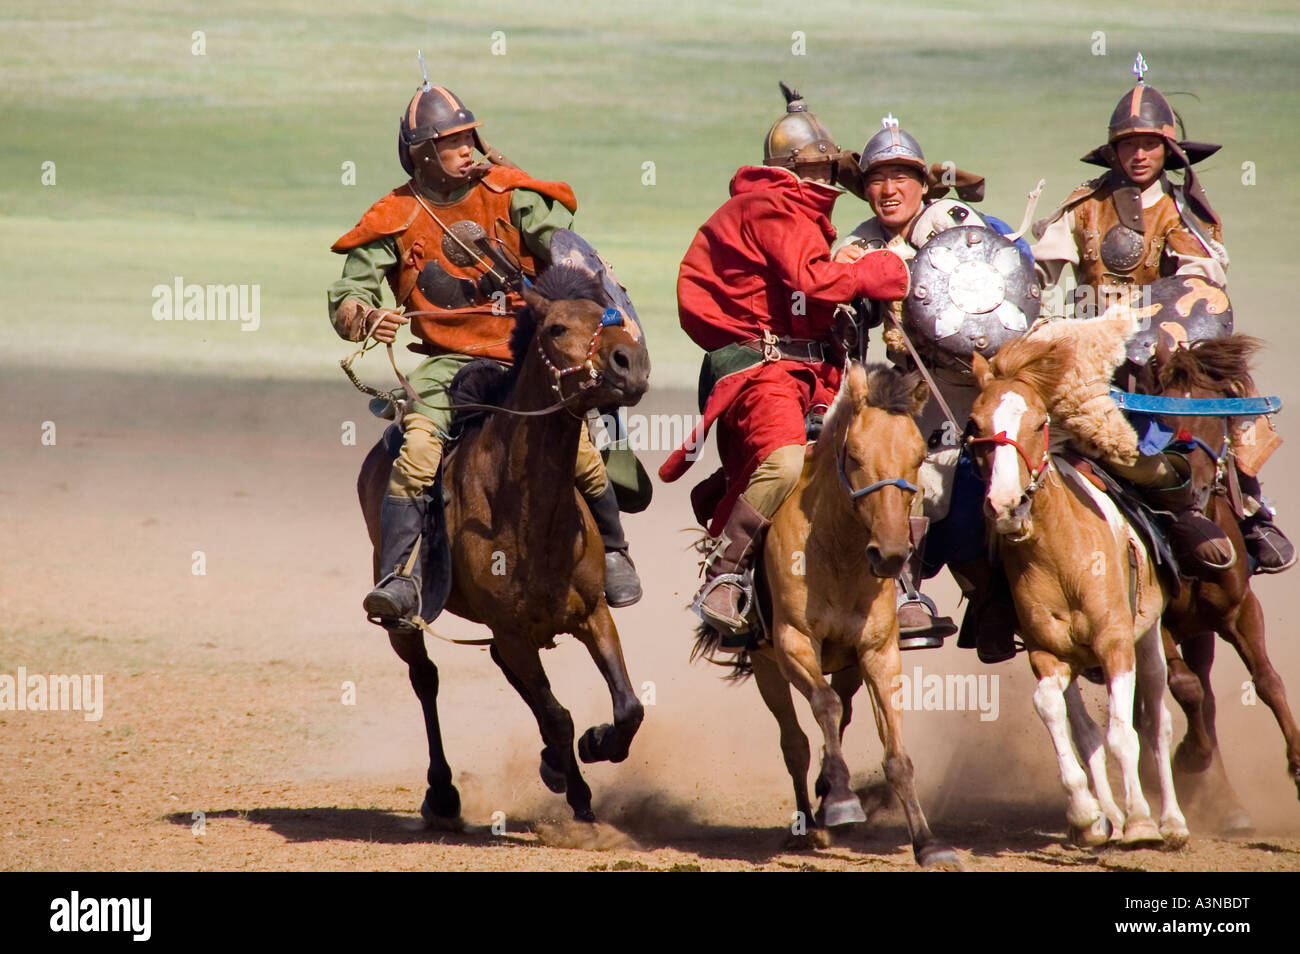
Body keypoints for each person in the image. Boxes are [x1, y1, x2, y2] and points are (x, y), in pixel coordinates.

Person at [329, 76, 642, 629]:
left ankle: (613, 552)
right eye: (451, 142)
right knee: (420, 449)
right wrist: (367, 315)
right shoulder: (392, 217)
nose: (465, 148)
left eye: (469, 137)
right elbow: (350, 296)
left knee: (584, 453)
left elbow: (564, 249)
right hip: (449, 364)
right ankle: (400, 576)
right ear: (422, 154)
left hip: (524, 352)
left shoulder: (507, 192)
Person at [660, 84, 909, 647]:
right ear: (794, 170)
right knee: (784, 463)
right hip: (764, 374)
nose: (826, 180)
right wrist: (880, 272)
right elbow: (813, 281)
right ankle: (723, 574)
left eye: (829, 169)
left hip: (812, 375)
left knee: (885, 455)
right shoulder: (771, 206)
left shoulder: (798, 212)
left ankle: (905, 586)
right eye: (819, 169)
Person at [1031, 58, 1292, 573]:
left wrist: (1156, 321)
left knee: (1228, 390)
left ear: (1167, 150)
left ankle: (1250, 508)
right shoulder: (1083, 205)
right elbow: (1042, 274)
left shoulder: (1181, 208)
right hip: (1092, 348)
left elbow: (1202, 282)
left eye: (1149, 143)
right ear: (1114, 150)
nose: (1139, 153)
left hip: (1168, 350)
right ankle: (1007, 563)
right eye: (1129, 144)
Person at [832, 115, 1021, 660]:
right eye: (876, 180)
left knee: (1014, 469)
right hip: (910, 383)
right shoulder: (862, 239)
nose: (888, 191)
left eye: (900, 178)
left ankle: (1001, 597)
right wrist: (839, 270)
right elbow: (834, 291)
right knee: (895, 468)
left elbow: (993, 280)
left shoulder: (952, 220)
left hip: (972, 374)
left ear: (921, 185)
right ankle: (907, 592)